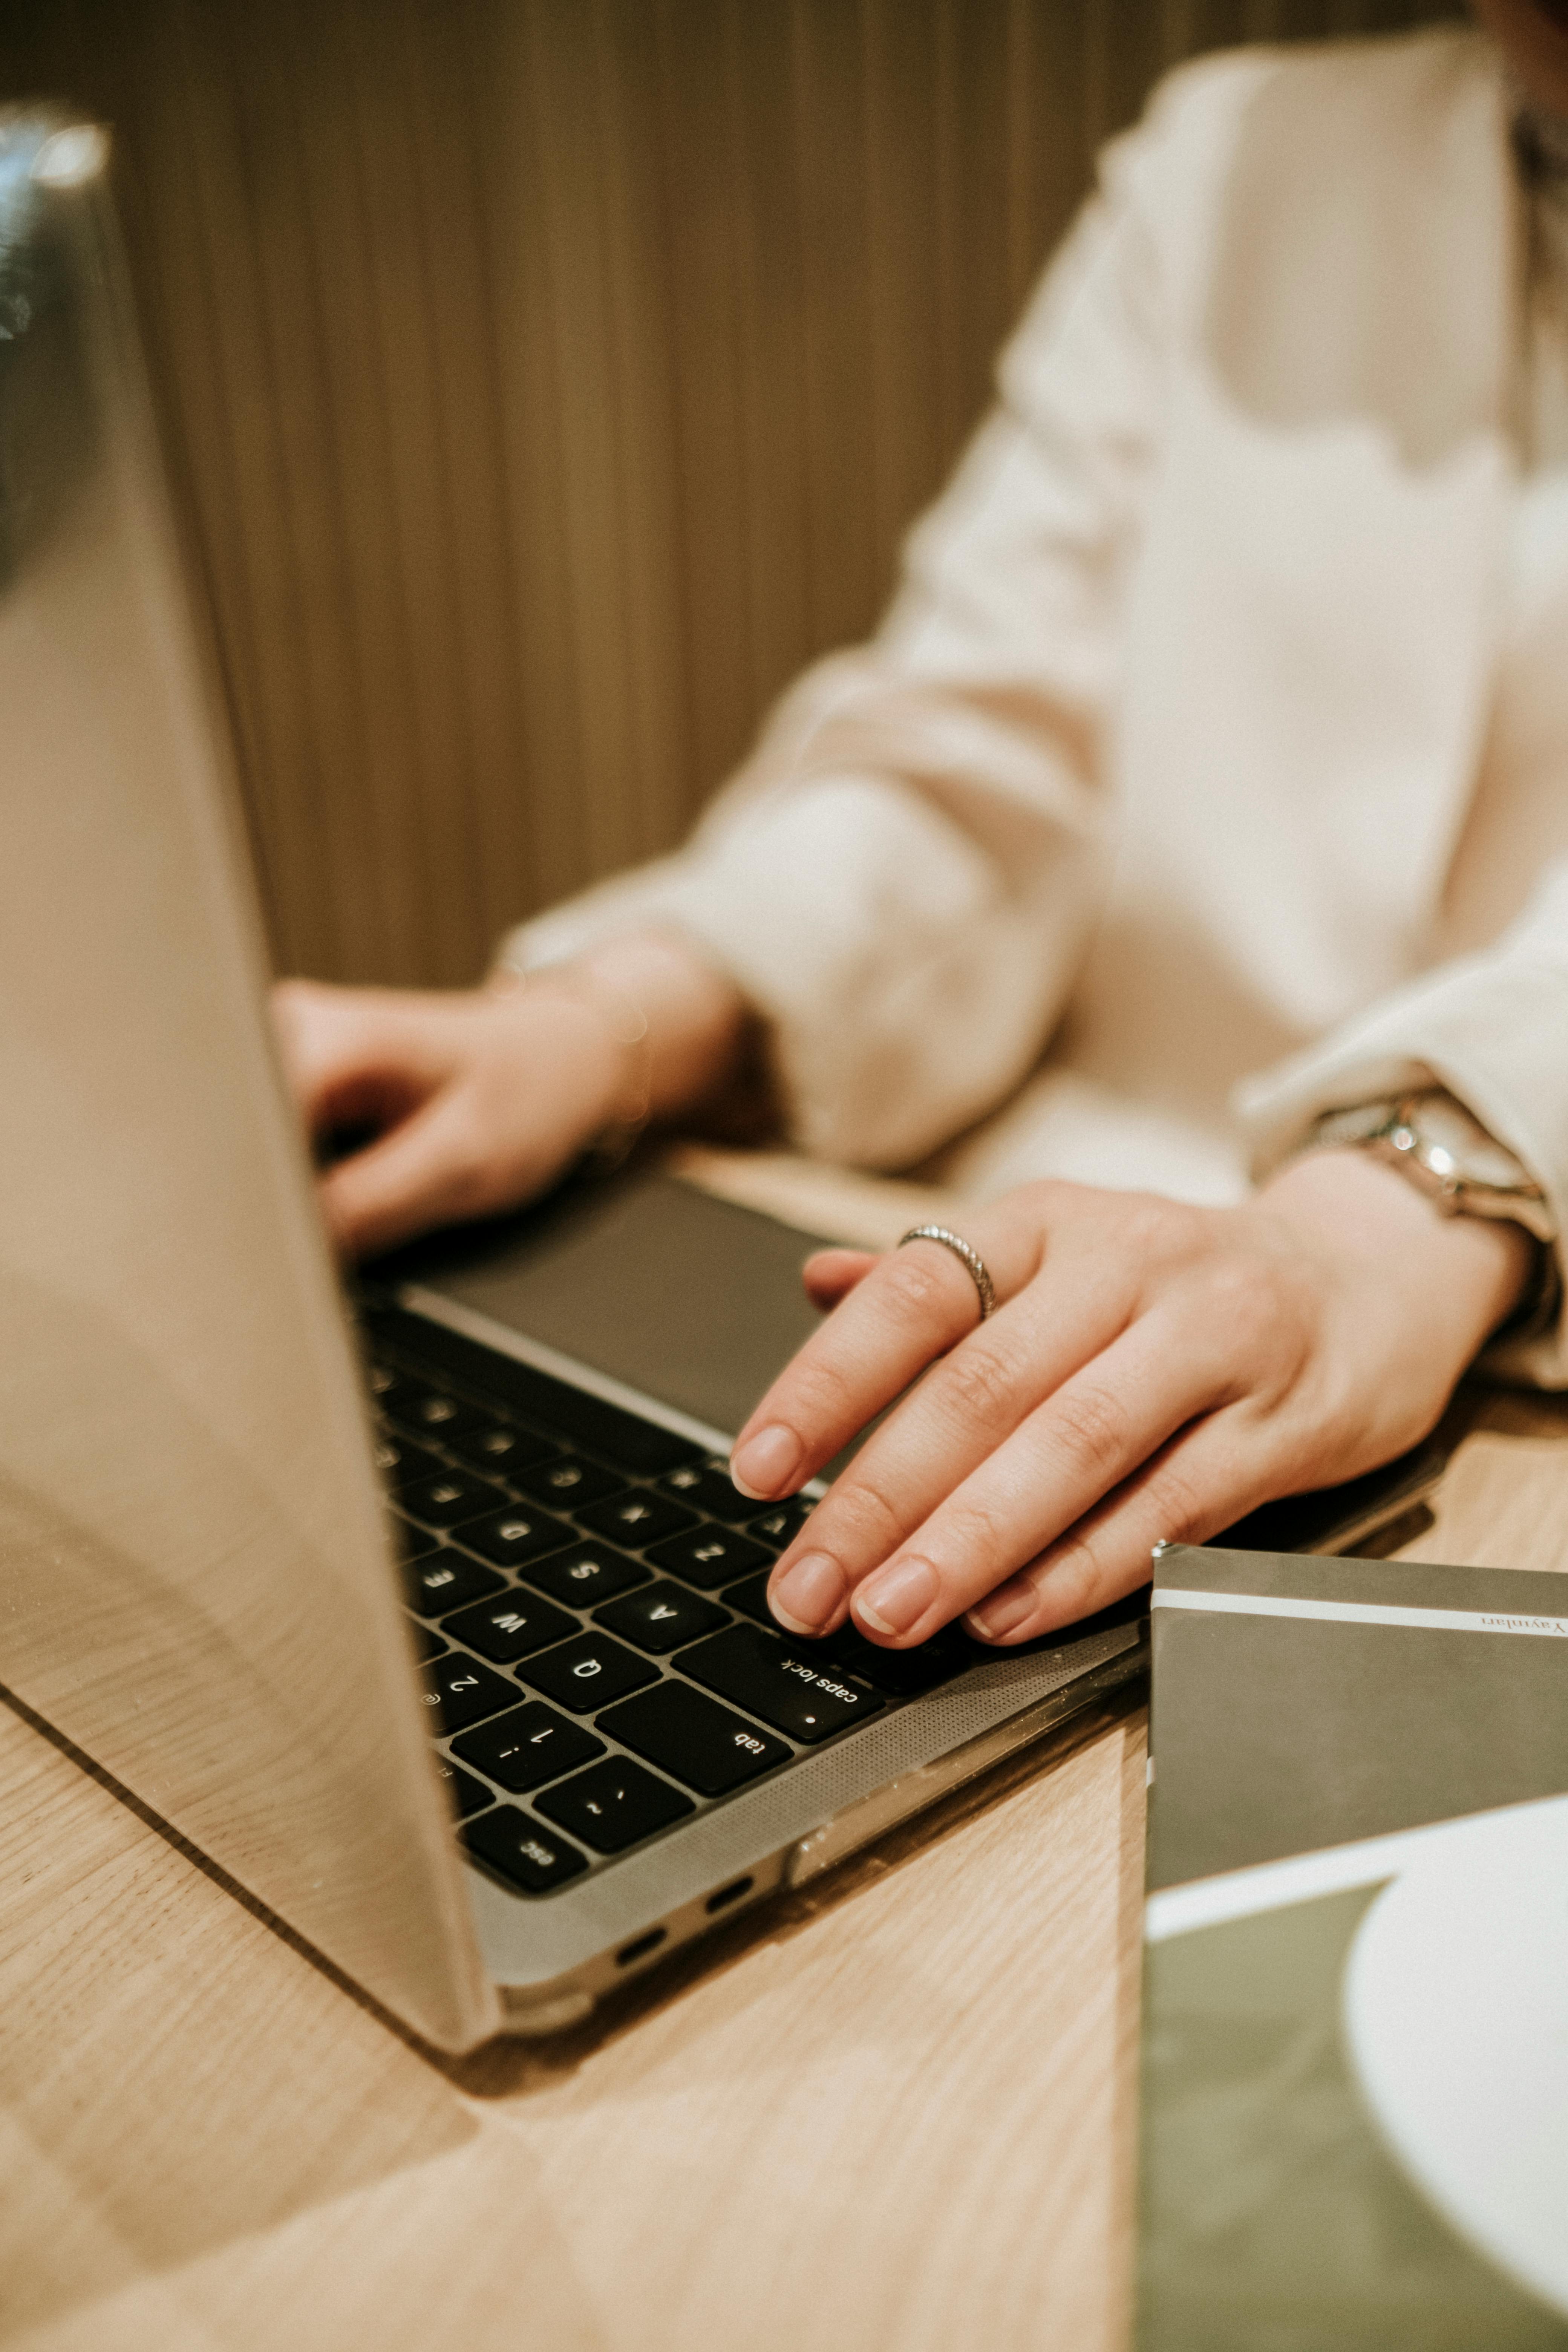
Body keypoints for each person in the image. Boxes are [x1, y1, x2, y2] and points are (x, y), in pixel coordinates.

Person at [275, 5, 1568, 1658]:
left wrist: (1387, 1224)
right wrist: (614, 1023)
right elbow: (976, 754)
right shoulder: (1239, 152)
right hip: (1026, 1319)